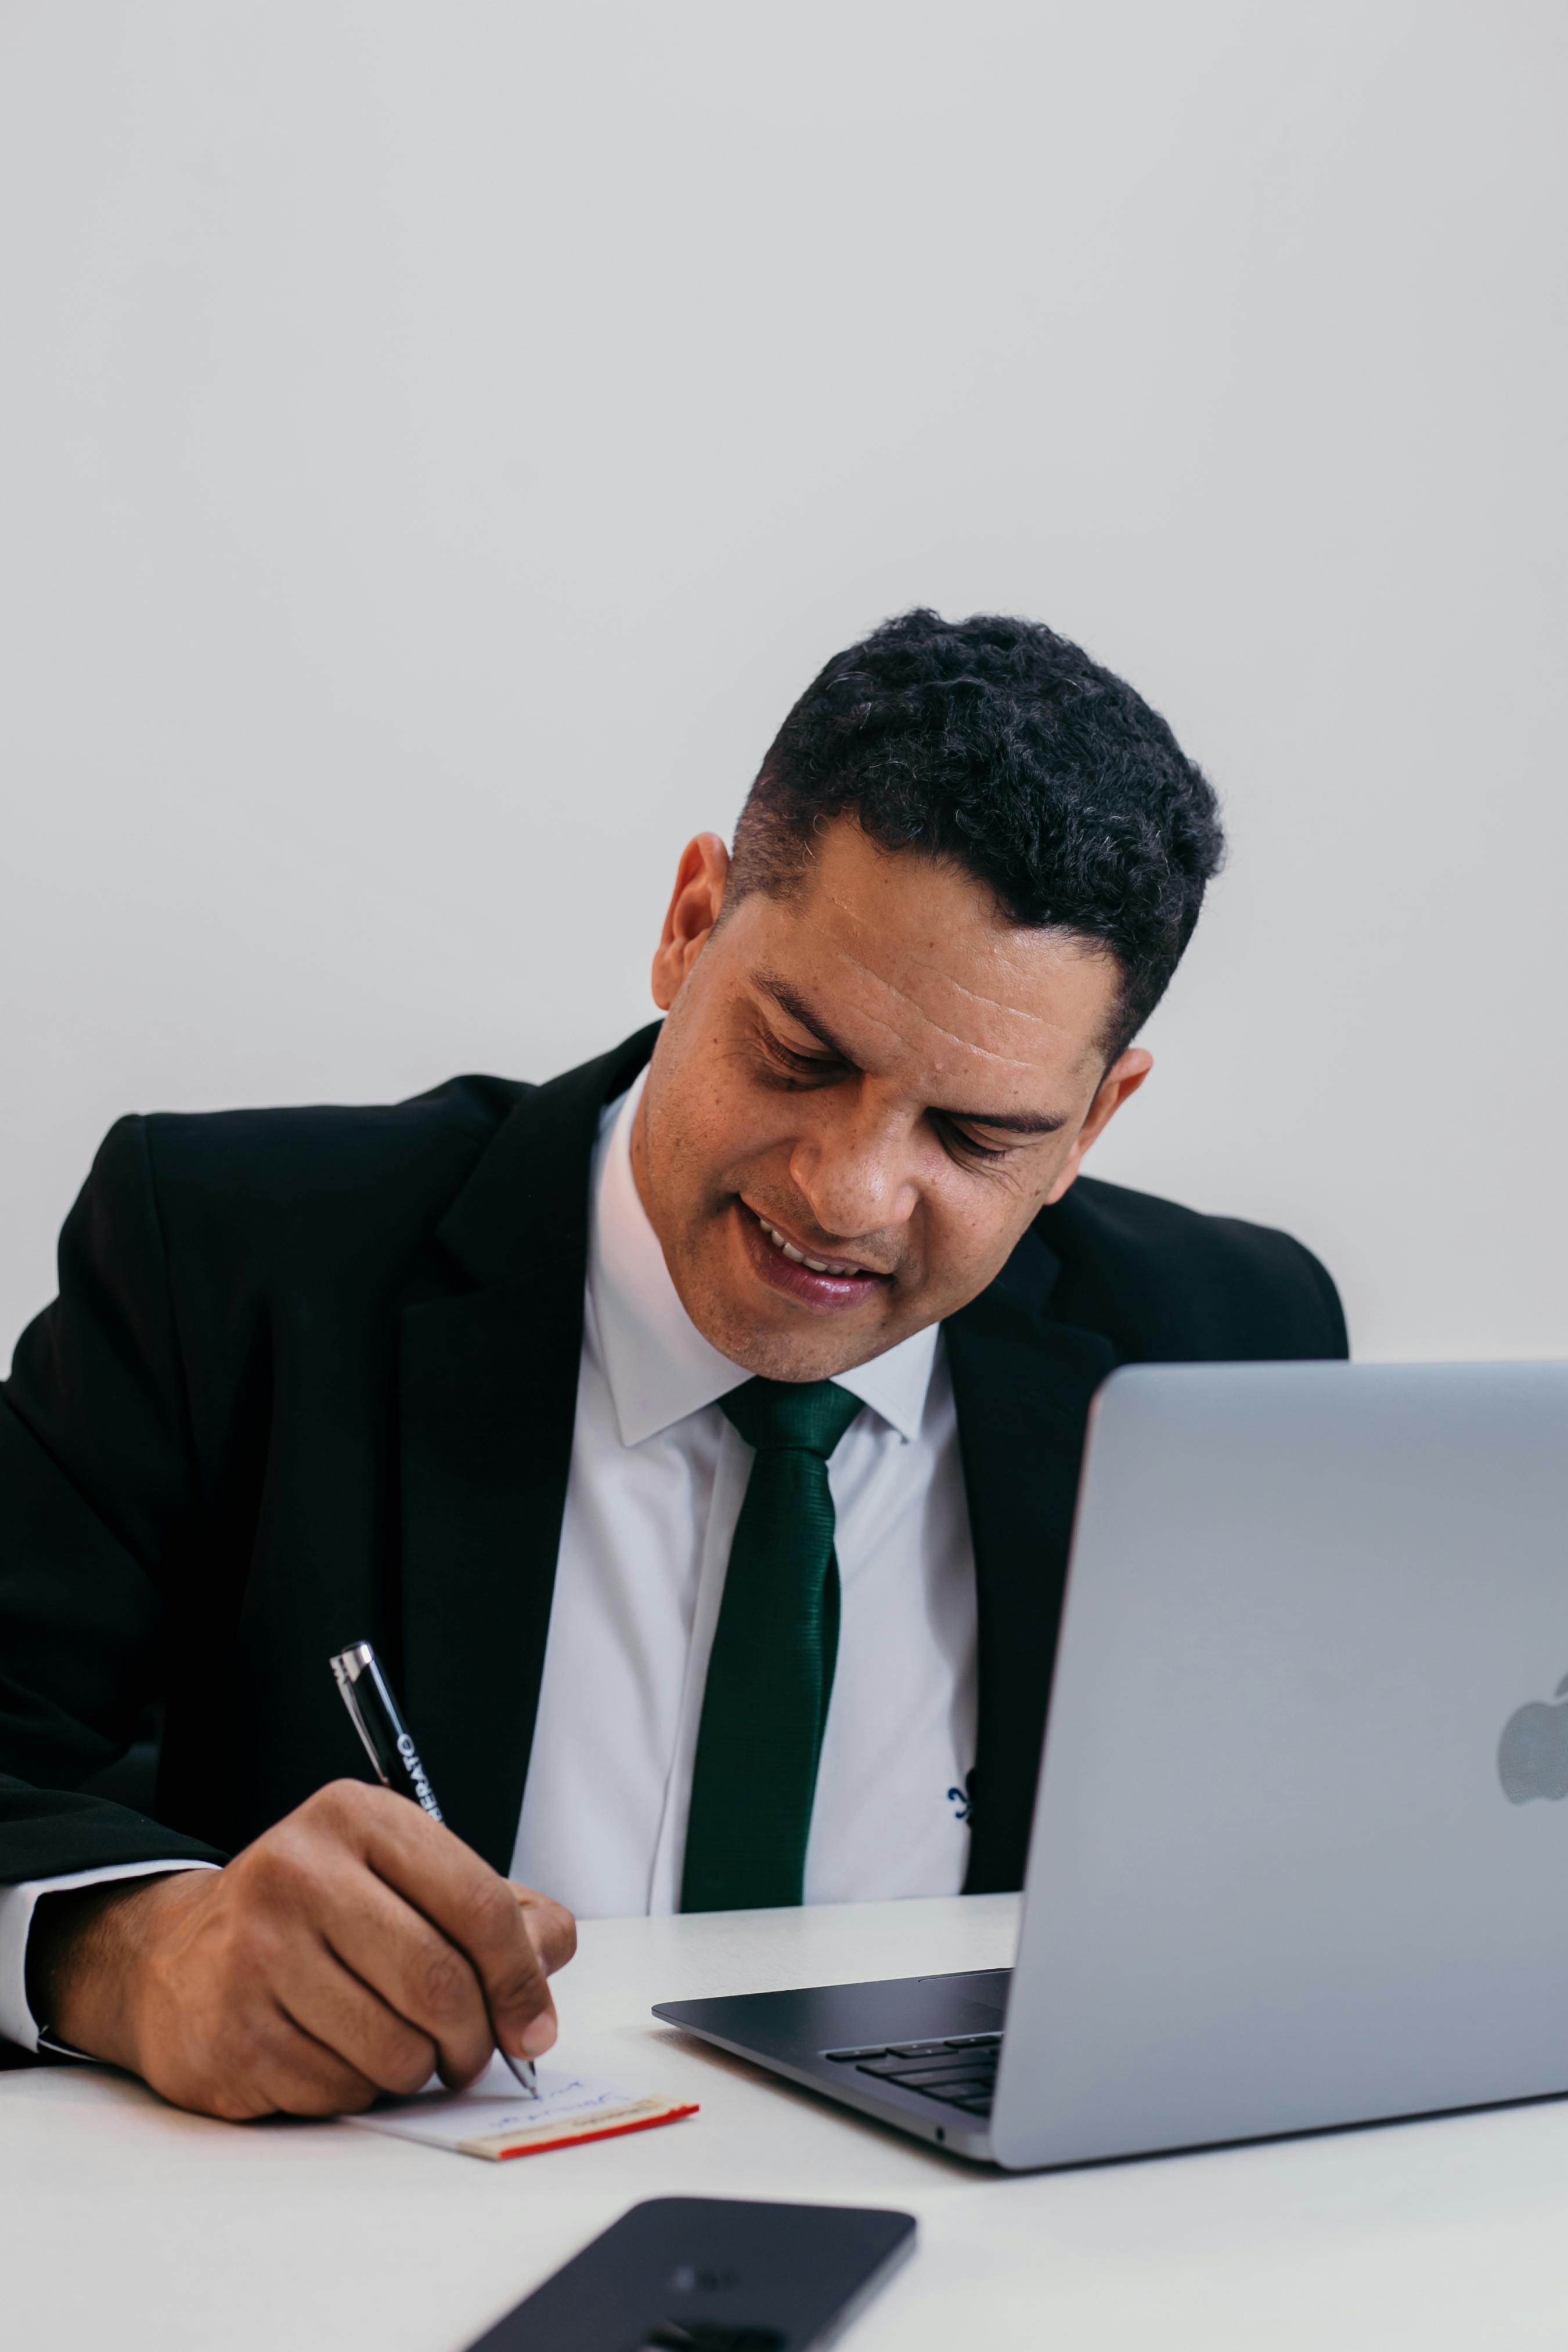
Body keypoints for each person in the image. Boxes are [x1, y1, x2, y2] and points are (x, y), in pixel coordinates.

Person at [0, 608, 1346, 2122]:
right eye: (799, 1051)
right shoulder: (233, 1259)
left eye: (974, 1135)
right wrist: (135, 1950)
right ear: (692, 921)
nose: (847, 1189)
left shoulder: (1232, 1342)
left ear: (1094, 1124)